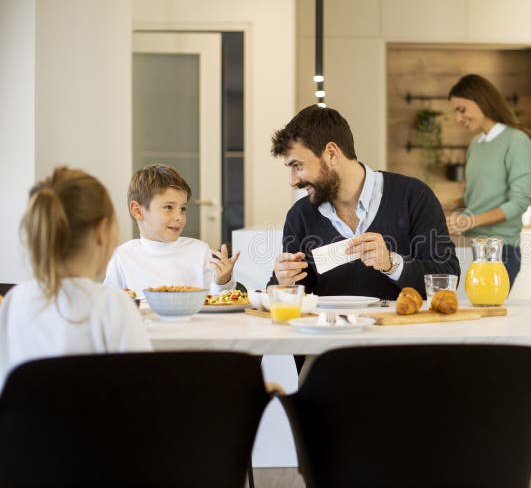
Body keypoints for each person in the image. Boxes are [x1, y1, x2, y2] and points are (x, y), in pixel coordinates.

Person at [269, 105, 460, 300]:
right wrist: (283, 280)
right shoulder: (301, 215)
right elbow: (287, 297)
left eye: (298, 166)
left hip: (400, 328)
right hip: (329, 330)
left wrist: (391, 263)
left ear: (331, 153)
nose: (292, 181)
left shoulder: (414, 196)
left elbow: (448, 278)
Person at [0, 167, 152, 392]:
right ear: (102, 231)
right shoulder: (113, 305)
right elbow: (143, 392)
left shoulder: (13, 302)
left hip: (24, 427)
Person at [447, 74, 531, 287]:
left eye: (462, 109)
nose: (458, 118)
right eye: (455, 112)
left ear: (481, 100)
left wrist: (470, 221)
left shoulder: (516, 141)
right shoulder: (475, 145)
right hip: (470, 246)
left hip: (501, 251)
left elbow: (519, 203)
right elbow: (479, 198)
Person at [104, 164, 240, 296]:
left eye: (182, 209)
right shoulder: (122, 256)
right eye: (168, 207)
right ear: (138, 211)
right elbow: (108, 304)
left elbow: (218, 300)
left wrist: (223, 280)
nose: (179, 217)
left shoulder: (199, 251)